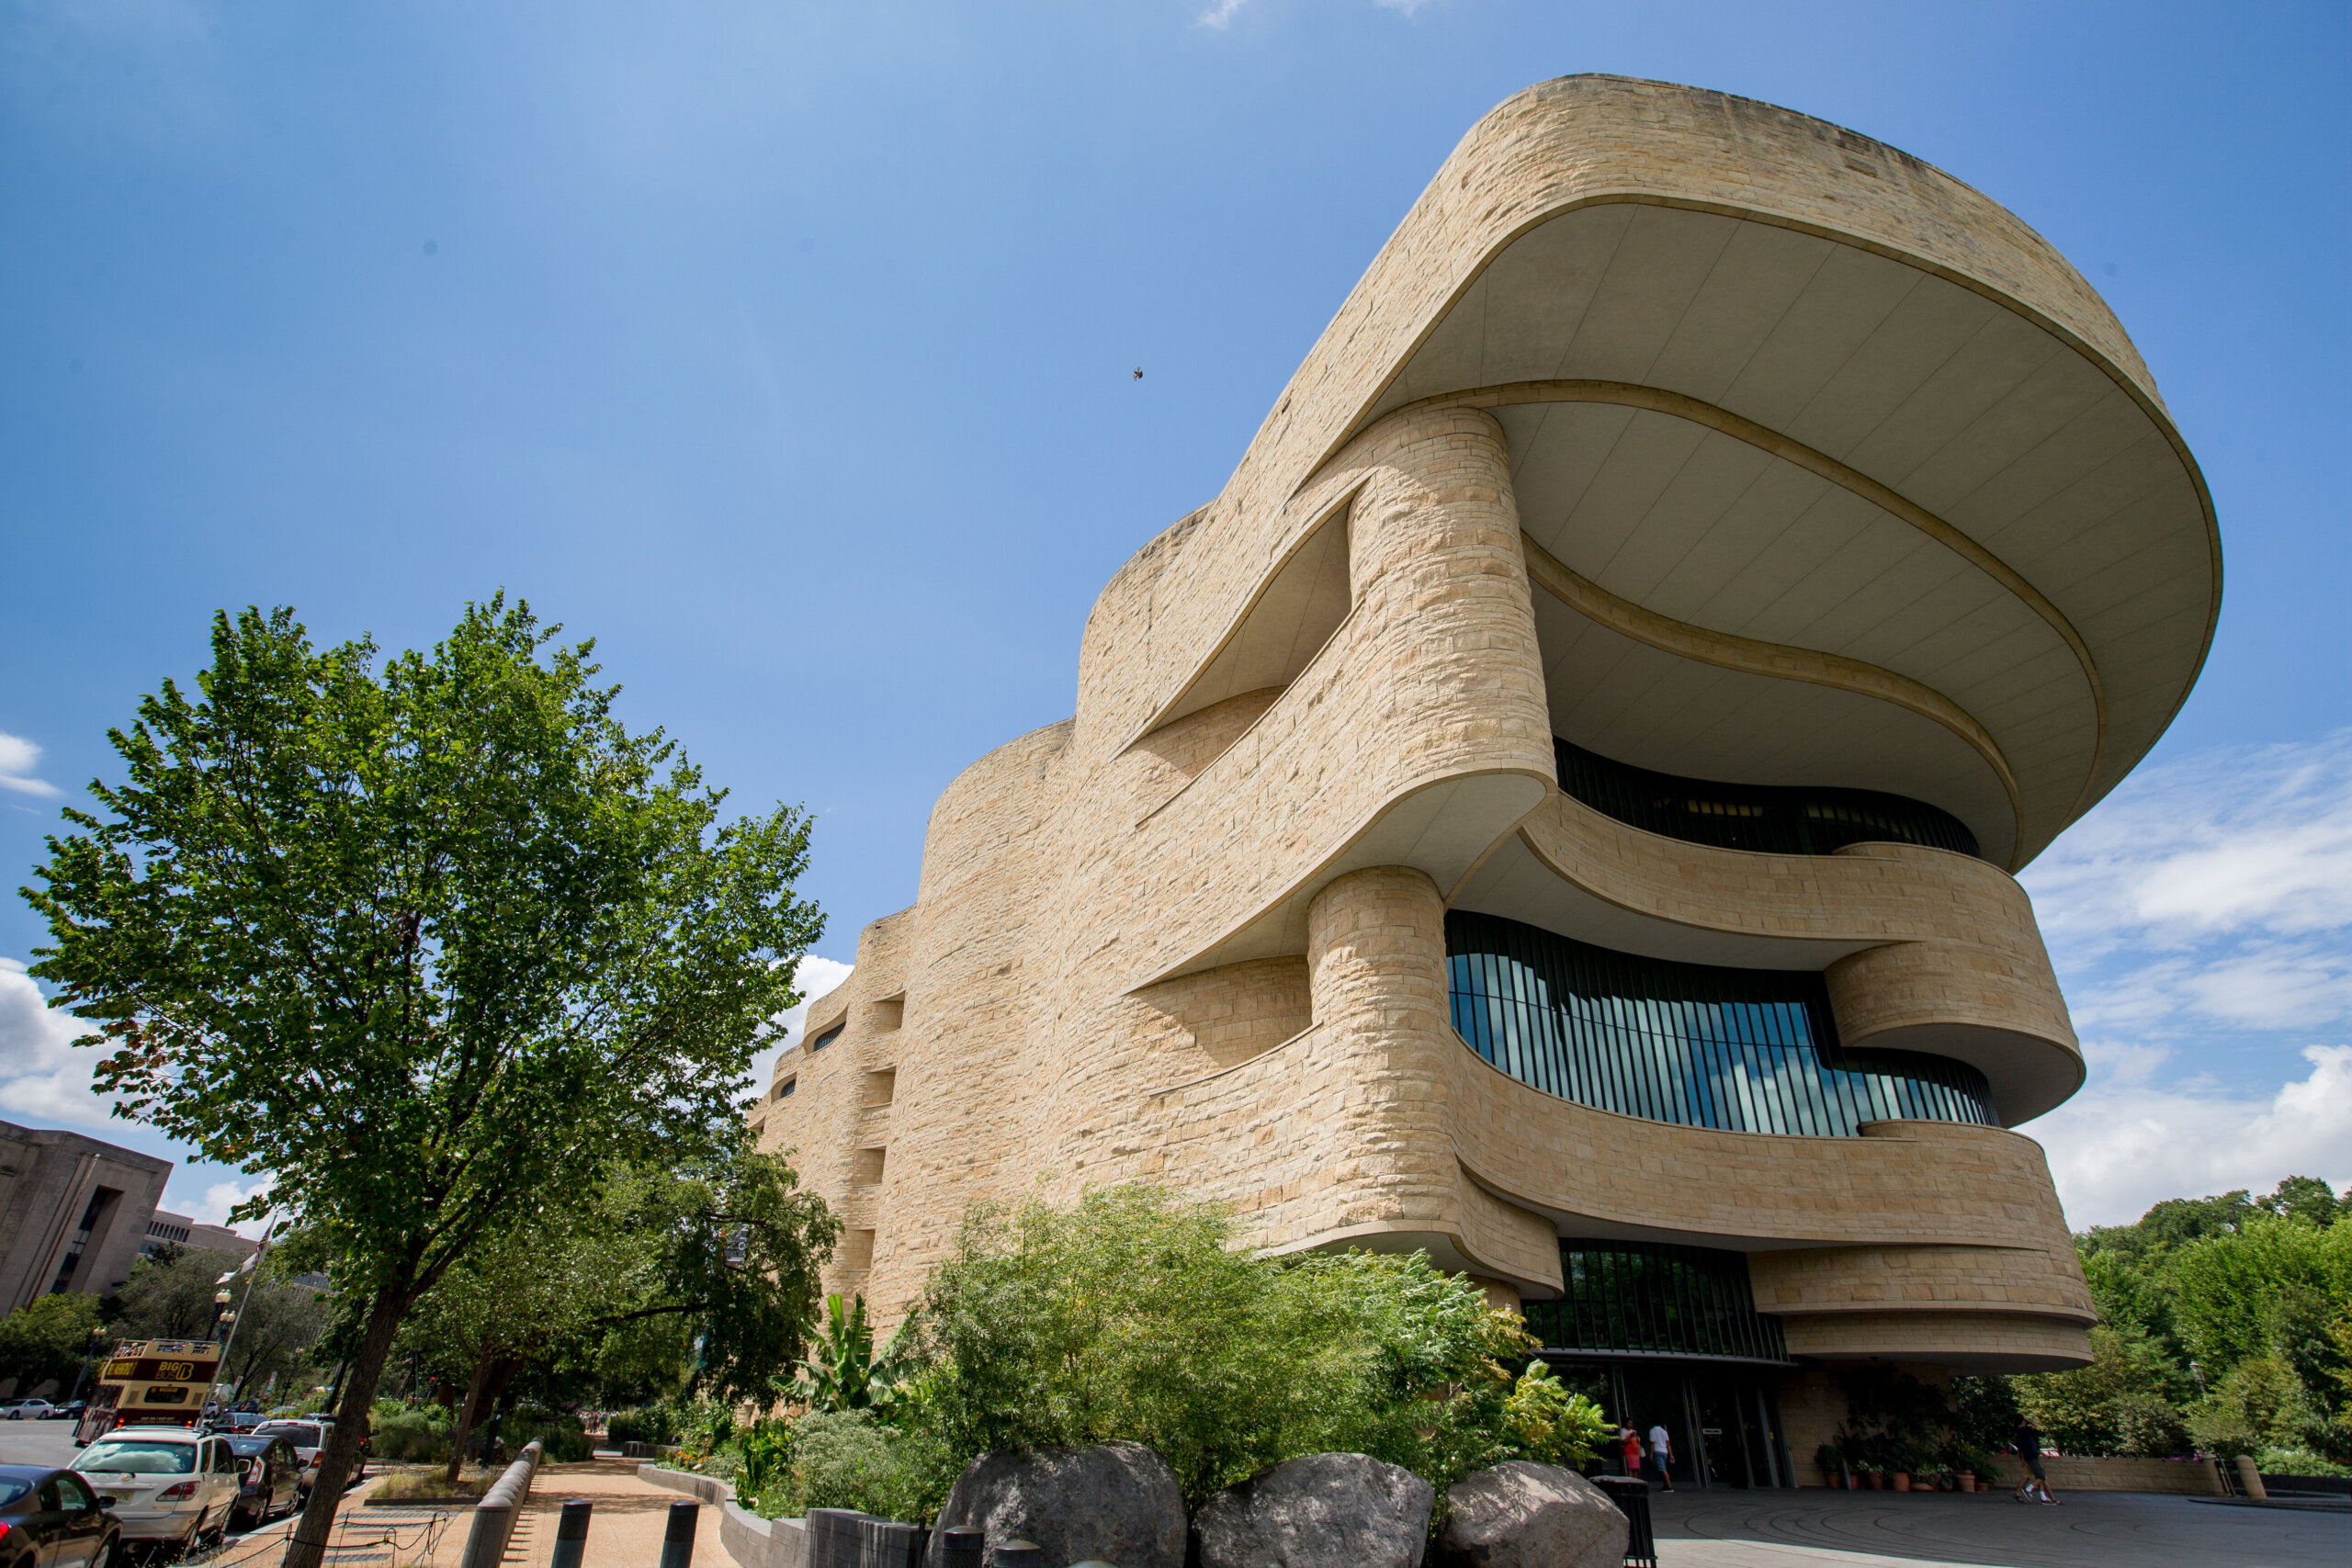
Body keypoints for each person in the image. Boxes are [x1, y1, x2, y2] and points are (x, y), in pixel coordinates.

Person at [2011, 1419, 2060, 1504]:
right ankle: (2031, 1489)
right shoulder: (2024, 1430)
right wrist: (2027, 1419)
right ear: (2022, 1422)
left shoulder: (2019, 1433)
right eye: (2024, 1422)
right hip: (2032, 1457)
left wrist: (2023, 1459)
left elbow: (2021, 1448)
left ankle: (2019, 1493)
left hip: (2028, 1458)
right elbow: (2035, 1425)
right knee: (2042, 1477)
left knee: (2028, 1477)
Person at [1649, 1422, 1676, 1491]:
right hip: (1665, 1451)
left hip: (1657, 1450)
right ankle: (1666, 1485)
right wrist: (1671, 1455)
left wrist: (1651, 1454)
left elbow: (1652, 1443)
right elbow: (1668, 1444)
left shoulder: (1652, 1431)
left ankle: (1669, 1486)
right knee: (1663, 1469)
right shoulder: (1664, 1431)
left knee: (1662, 1469)